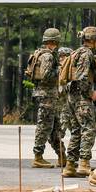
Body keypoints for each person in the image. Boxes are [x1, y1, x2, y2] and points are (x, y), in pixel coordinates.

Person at [64, 25, 96, 177]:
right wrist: (91, 93)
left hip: (72, 98)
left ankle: (69, 166)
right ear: (93, 40)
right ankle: (84, 164)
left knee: (76, 132)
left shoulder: (76, 53)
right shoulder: (86, 54)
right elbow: (82, 78)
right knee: (88, 129)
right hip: (81, 98)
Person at [26, 27, 64, 167]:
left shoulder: (40, 53)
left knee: (54, 127)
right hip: (46, 95)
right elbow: (46, 75)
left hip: (45, 95)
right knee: (44, 126)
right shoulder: (47, 56)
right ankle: (38, 157)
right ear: (54, 41)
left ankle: (61, 155)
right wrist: (60, 69)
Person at [54, 46, 74, 159]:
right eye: (60, 56)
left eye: (64, 56)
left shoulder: (72, 71)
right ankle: (61, 156)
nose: (61, 59)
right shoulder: (55, 70)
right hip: (57, 107)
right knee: (56, 134)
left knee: (76, 133)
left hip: (69, 107)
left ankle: (74, 158)